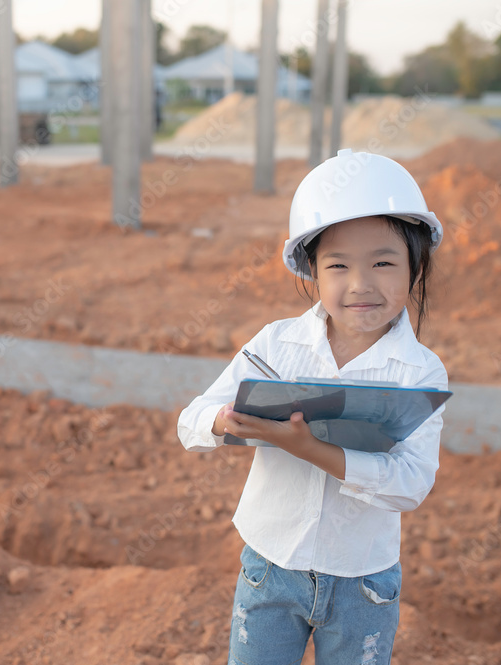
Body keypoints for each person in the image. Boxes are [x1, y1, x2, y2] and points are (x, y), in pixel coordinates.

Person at [177, 149, 450, 665]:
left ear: (417, 266)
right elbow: (191, 418)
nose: (360, 284)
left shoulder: (420, 373)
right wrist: (224, 420)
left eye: (383, 263)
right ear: (311, 269)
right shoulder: (276, 346)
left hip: (362, 579)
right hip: (270, 564)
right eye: (338, 265)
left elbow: (410, 485)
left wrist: (310, 449)